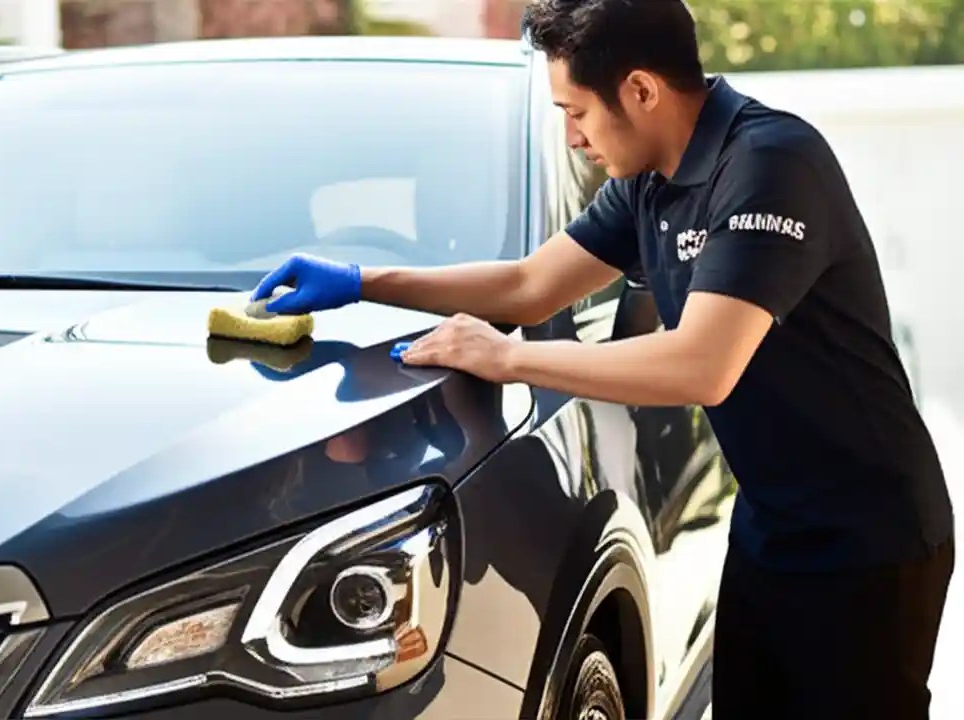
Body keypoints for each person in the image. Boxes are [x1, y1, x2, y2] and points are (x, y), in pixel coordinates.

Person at [249, 0, 955, 717]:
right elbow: (530, 285)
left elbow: (701, 365)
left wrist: (508, 359)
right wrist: (364, 282)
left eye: (577, 111)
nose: (573, 135)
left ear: (642, 90)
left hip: (868, 538)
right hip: (770, 527)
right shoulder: (649, 181)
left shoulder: (771, 163)